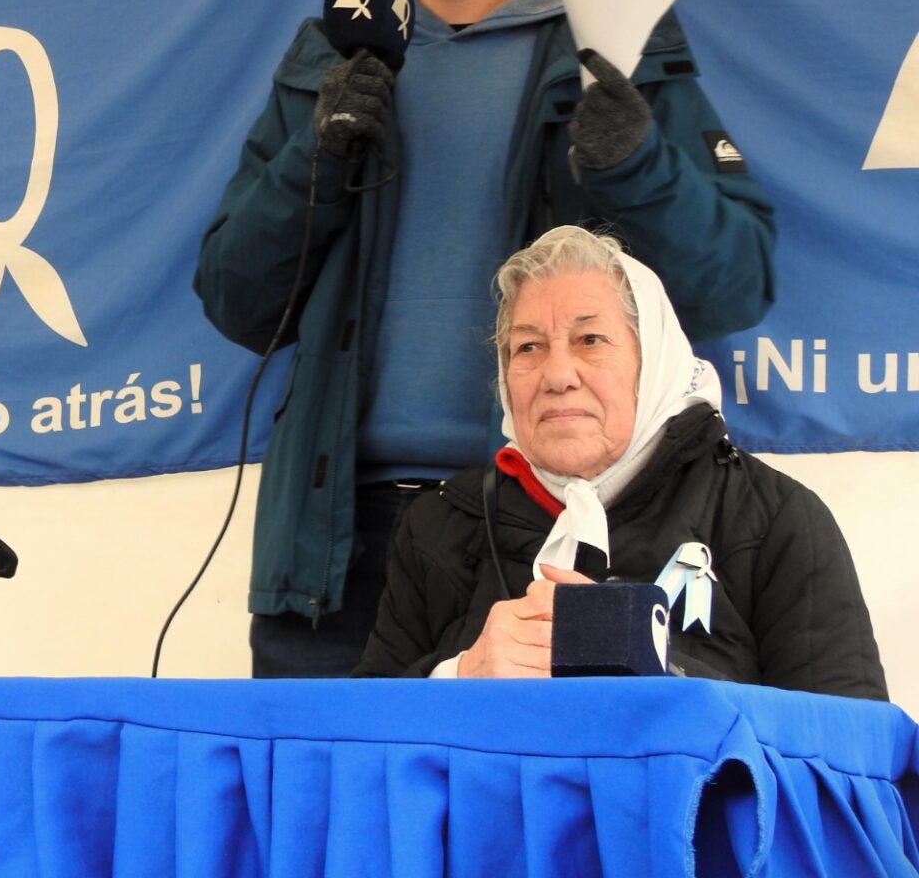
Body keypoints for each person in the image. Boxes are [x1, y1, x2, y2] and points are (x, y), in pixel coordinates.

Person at [193, 0, 776, 677]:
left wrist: (634, 166)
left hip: (544, 520)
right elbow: (236, 298)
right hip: (335, 546)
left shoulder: (608, 47)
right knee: (323, 810)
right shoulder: (331, 65)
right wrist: (318, 153)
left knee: (532, 811)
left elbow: (734, 284)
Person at [355, 227, 884, 699]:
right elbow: (356, 750)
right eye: (528, 347)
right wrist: (458, 677)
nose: (556, 374)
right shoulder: (440, 526)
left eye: (590, 340)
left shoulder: (774, 519)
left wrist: (658, 672)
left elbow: (847, 755)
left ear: (651, 362)